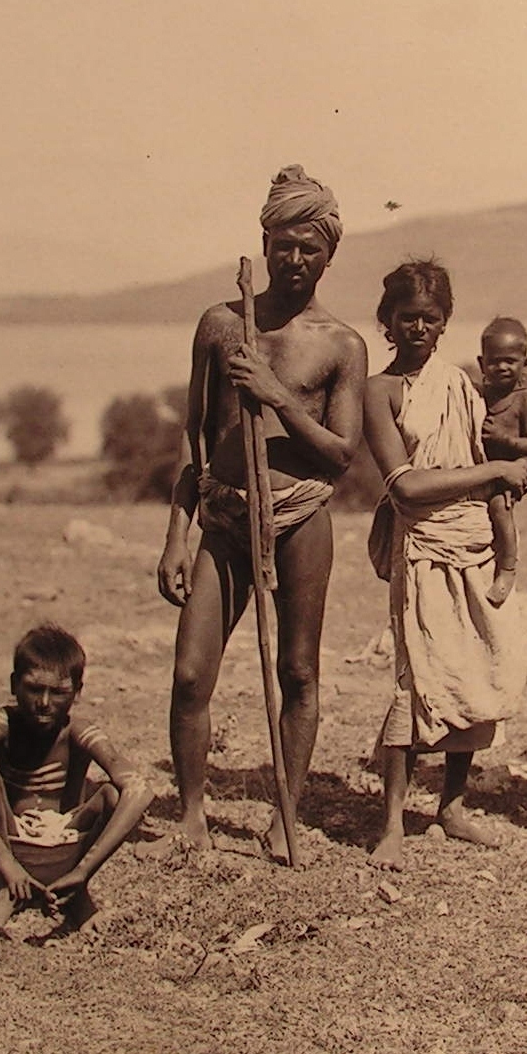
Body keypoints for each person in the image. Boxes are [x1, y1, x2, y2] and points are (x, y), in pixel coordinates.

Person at [153, 165, 367, 862]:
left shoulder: (341, 344)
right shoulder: (221, 325)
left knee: (298, 671)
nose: (296, 260)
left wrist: (276, 395)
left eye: (310, 248)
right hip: (223, 518)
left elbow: (340, 453)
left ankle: (285, 814)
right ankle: (190, 814)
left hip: (300, 516)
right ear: (264, 243)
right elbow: (194, 435)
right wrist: (176, 536)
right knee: (190, 674)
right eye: (284, 244)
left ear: (328, 254)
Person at [363, 260, 527, 871]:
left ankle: (452, 806)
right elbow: (405, 487)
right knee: (417, 676)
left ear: (445, 324)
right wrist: (494, 472)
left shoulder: (461, 384)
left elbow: (497, 452)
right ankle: (390, 826)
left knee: (474, 667)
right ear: (388, 321)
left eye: (430, 319)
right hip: (422, 546)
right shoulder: (378, 391)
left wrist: (506, 480)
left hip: (473, 541)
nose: (417, 328)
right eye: (406, 317)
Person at [0, 624, 151, 931]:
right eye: (34, 689)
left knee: (115, 793)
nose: (45, 703)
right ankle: (11, 891)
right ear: (14, 684)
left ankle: (76, 892)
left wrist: (84, 870)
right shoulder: (2, 722)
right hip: (5, 849)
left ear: (77, 692)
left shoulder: (79, 730)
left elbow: (139, 790)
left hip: (67, 851)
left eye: (59, 692)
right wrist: (2, 859)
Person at [476, 316, 527, 607]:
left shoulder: (524, 401)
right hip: (481, 469)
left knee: (498, 510)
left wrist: (503, 438)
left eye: (510, 361)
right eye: (494, 361)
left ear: (525, 363)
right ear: (481, 363)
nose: (501, 367)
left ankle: (507, 568)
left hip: (512, 473)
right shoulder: (479, 395)